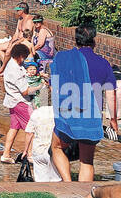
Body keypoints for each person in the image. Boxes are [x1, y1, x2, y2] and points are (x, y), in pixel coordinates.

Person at [50, 22, 117, 183]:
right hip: (91, 116)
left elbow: (55, 87)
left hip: (68, 112)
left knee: (57, 147)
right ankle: (82, 194)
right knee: (86, 161)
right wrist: (113, 120)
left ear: (76, 40)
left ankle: (67, 182)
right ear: (94, 41)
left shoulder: (65, 59)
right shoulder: (103, 63)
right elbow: (111, 94)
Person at [0, 43, 40, 159]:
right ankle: (29, 154)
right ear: (20, 56)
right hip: (20, 102)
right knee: (32, 127)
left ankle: (6, 154)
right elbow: (25, 91)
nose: (25, 59)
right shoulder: (14, 70)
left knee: (14, 127)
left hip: (12, 101)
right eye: (24, 57)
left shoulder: (15, 65)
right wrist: (39, 88)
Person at [0, 5, 36, 74]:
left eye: (18, 10)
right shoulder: (20, 19)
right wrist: (11, 42)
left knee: (8, 52)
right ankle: (8, 68)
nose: (16, 11)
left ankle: (3, 69)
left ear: (22, 10)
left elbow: (27, 36)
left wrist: (15, 43)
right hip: (17, 40)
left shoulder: (29, 20)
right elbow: (16, 33)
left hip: (24, 42)